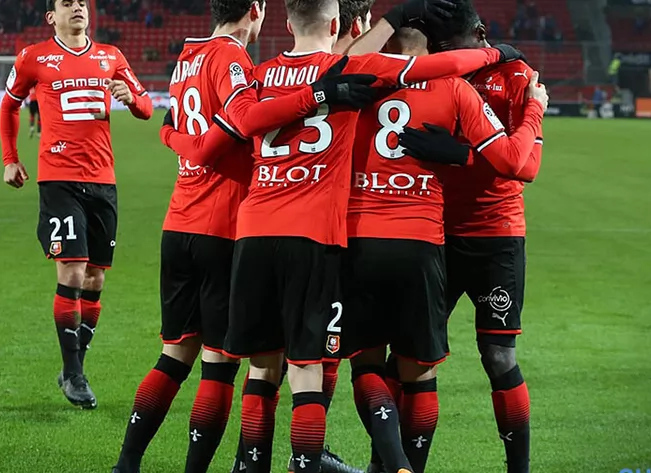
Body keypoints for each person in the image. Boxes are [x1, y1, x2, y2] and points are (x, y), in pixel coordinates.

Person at [218, 0, 522, 469]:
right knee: (415, 375)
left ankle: (256, 461)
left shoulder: (348, 73)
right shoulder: (449, 86)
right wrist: (499, 59)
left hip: (329, 235)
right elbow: (516, 163)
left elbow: (235, 125)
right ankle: (403, 468)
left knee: (326, 364)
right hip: (419, 240)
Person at [112, 0, 378, 470]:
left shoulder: (187, 57)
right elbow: (239, 124)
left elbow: (185, 130)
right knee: (223, 366)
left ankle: (127, 463)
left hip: (178, 224)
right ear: (255, 9)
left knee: (174, 356)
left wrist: (170, 138)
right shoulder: (233, 58)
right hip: (224, 224)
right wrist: (318, 94)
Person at [344, 24, 547, 473]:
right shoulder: (431, 75)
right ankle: (388, 468)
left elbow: (522, 162)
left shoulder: (516, 77)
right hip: (436, 235)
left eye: (449, 46)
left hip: (497, 234)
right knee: (409, 359)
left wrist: (461, 154)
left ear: (477, 35)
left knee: (498, 355)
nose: (442, 53)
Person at [0, 0, 153, 409]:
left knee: (95, 281)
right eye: (67, 3)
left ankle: (72, 367)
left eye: (82, 2)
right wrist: (10, 159)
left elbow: (147, 108)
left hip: (103, 181)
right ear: (52, 16)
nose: (77, 7)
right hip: (58, 179)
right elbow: (9, 105)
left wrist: (131, 99)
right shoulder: (33, 57)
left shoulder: (112, 57)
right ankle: (76, 375)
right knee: (73, 268)